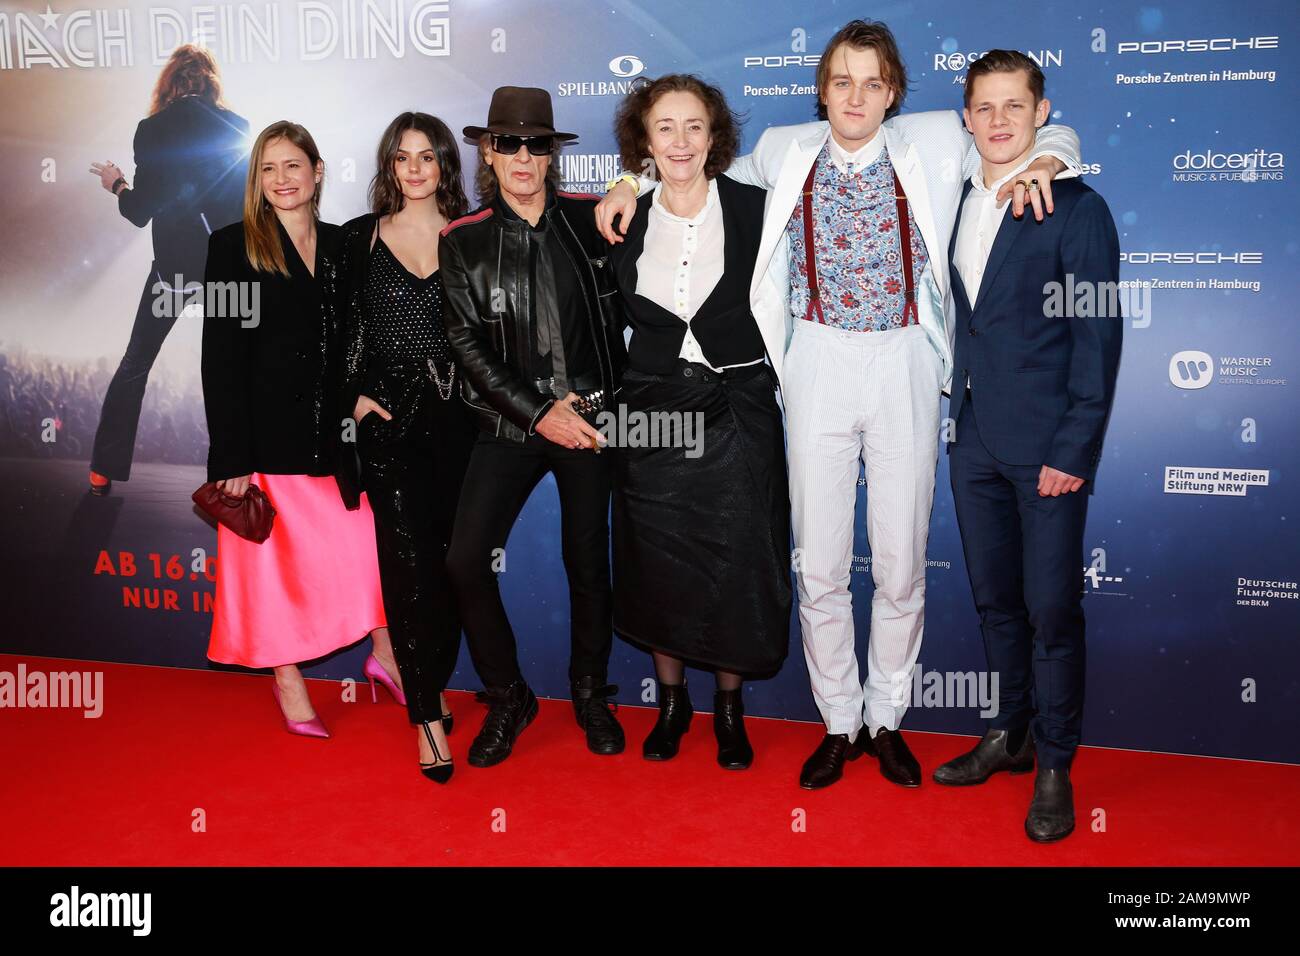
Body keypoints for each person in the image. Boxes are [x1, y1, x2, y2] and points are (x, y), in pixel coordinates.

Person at [598, 19, 1084, 791]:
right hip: (816, 358)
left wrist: (1052, 157)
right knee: (819, 562)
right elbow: (691, 173)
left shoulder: (936, 139)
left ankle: (888, 719)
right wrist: (630, 182)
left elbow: (1039, 126)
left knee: (898, 563)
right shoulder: (785, 150)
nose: (855, 96)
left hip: (904, 362)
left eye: (872, 82)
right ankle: (838, 723)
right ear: (821, 90)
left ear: (892, 93)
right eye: (840, 81)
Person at [932, 51, 1121, 843]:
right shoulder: (952, 196)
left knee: (1051, 611)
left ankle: (1054, 763)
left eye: (1017, 106)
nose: (1001, 121)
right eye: (986, 107)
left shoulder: (1077, 208)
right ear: (967, 116)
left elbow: (1098, 336)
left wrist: (1075, 448)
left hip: (1048, 443)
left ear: (1043, 113)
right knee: (995, 603)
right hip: (972, 438)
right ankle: (1008, 734)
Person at [605, 75, 791, 770]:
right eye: (664, 128)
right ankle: (673, 702)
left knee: (737, 558)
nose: (679, 141)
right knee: (659, 562)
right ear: (644, 141)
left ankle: (730, 707)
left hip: (739, 409)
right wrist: (626, 185)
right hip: (650, 414)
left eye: (693, 126)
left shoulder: (758, 210)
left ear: (715, 137)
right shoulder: (622, 219)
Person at [440, 87, 628, 767]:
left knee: (588, 560)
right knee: (464, 561)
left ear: (552, 153)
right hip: (511, 422)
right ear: (488, 151)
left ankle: (588, 691)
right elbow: (465, 343)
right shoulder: (463, 241)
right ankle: (509, 694)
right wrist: (538, 411)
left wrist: (631, 182)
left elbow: (681, 170)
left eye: (536, 143)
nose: (523, 156)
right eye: (508, 142)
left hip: (591, 421)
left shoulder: (592, 219)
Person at [201, 120, 391, 738]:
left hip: (332, 440)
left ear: (316, 172)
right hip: (262, 443)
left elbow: (358, 339)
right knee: (269, 572)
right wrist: (229, 454)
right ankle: (288, 680)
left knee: (368, 553)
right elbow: (220, 357)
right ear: (257, 181)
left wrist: (362, 395)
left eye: (293, 166)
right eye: (268, 169)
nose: (282, 180)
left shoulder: (344, 246)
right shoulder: (232, 247)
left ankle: (384, 653)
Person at [335, 112, 478, 782]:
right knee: (410, 571)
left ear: (446, 164)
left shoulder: (474, 234)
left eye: (428, 156)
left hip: (464, 427)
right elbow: (334, 332)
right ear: (389, 165)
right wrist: (353, 398)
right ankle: (425, 717)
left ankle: (435, 684)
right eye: (402, 156)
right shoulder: (360, 240)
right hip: (391, 428)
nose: (415, 168)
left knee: (453, 571)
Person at [89, 44, 249, 496]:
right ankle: (236, 475)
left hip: (174, 272)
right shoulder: (238, 127)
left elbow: (141, 210)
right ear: (211, 83)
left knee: (136, 362)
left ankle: (103, 468)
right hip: (228, 269)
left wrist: (116, 183)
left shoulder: (153, 130)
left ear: (171, 83)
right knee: (234, 372)